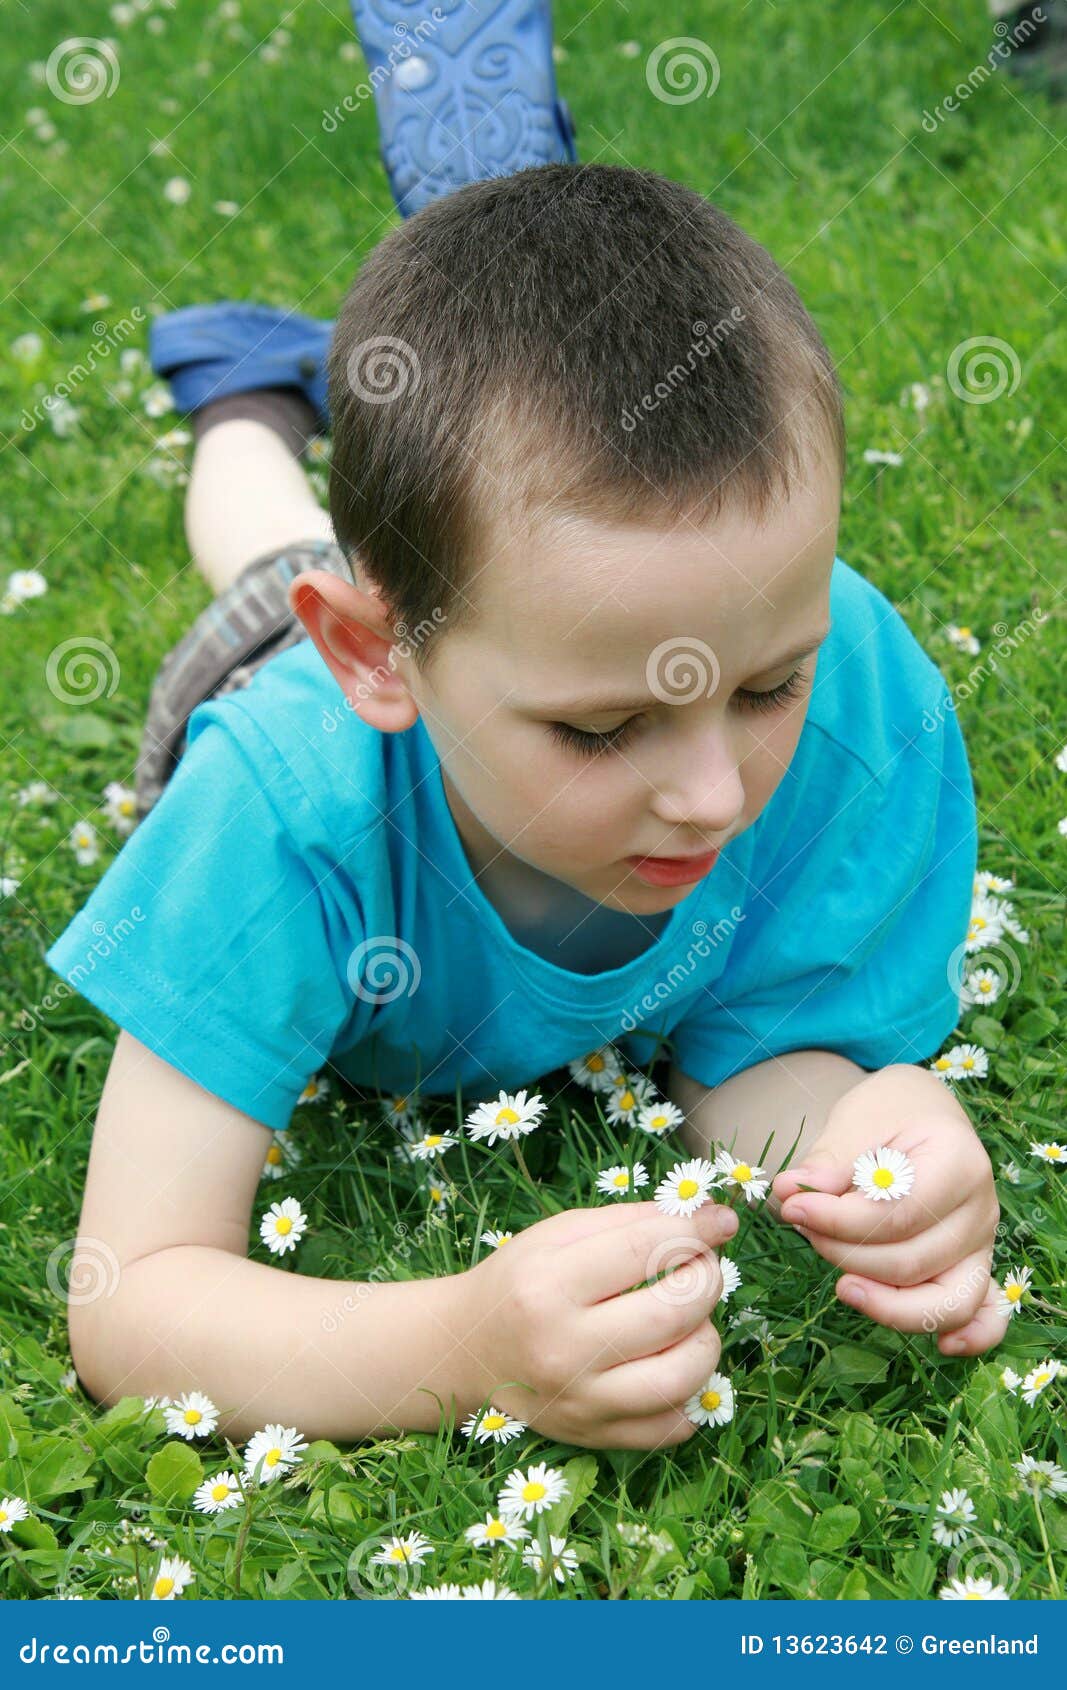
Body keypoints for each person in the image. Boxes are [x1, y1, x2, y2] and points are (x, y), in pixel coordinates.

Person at [45, 163, 1004, 1454]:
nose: (715, 796)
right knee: (264, 550)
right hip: (267, 678)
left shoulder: (857, 707)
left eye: (769, 683)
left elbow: (755, 1038)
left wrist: (866, 1134)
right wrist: (463, 1347)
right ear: (383, 654)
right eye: (601, 727)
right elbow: (132, 1295)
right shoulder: (275, 818)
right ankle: (244, 390)